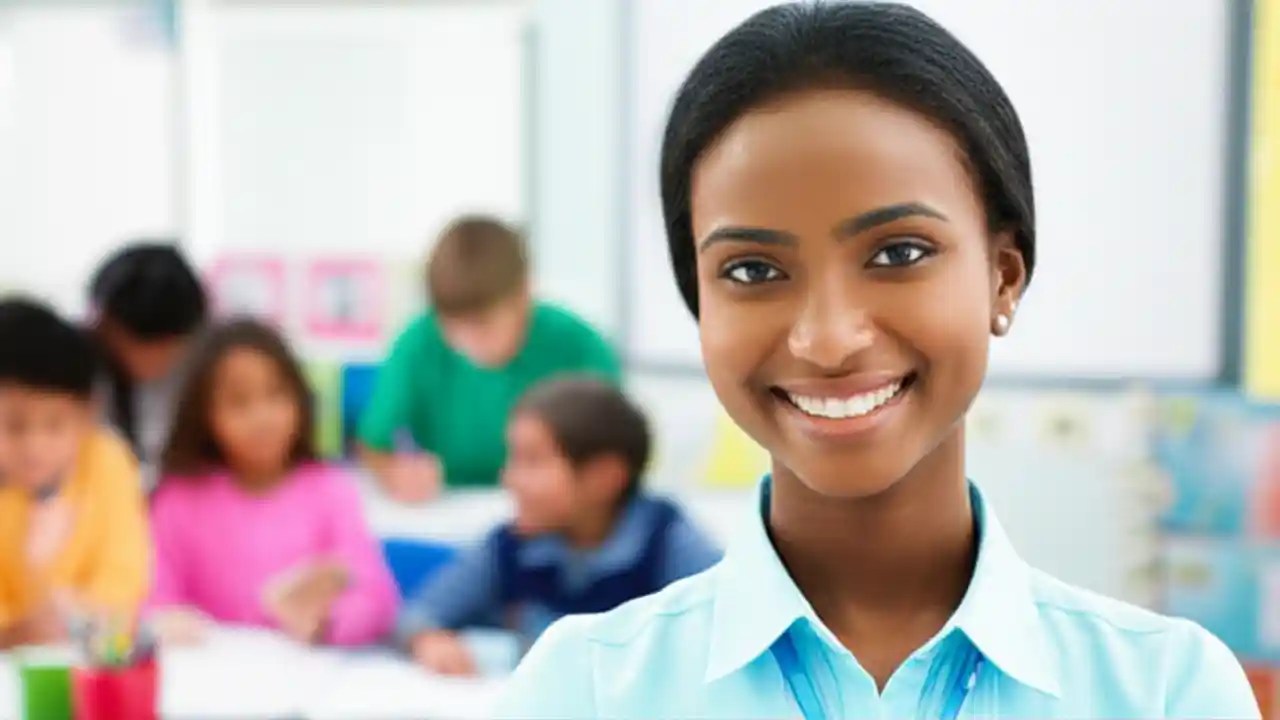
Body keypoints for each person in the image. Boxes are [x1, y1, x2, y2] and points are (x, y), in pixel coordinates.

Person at [497, 4, 1258, 718]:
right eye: (753, 270)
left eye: (899, 253)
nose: (827, 340)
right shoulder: (584, 689)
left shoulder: (1166, 692)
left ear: (1003, 275)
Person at [399, 377, 720, 676]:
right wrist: (429, 640)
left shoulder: (668, 545)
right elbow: (420, 614)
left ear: (604, 477)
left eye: (531, 461)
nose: (509, 478)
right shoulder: (509, 545)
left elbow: (730, 633)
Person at [146, 319, 397, 647]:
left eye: (276, 394)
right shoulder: (178, 500)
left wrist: (325, 621)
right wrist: (165, 621)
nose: (262, 417)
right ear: (204, 416)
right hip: (212, 680)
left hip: (311, 679)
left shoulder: (330, 490)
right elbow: (152, 601)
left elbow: (377, 599)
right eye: (239, 403)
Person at [359, 216, 621, 503]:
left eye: (483, 326)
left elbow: (612, 458)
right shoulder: (417, 342)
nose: (468, 344)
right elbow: (374, 443)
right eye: (452, 328)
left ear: (523, 293)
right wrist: (394, 472)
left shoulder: (582, 349)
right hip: (448, 510)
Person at [0, 298, 150, 648]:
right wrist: (17, 631)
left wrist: (82, 616)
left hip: (87, 653)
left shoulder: (108, 461)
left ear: (88, 415)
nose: (35, 446)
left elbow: (123, 574)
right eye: (14, 426)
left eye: (55, 426)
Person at [89, 242, 208, 488]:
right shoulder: (69, 371)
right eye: (138, 345)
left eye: (167, 348)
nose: (153, 361)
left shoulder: (209, 365)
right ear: (105, 325)